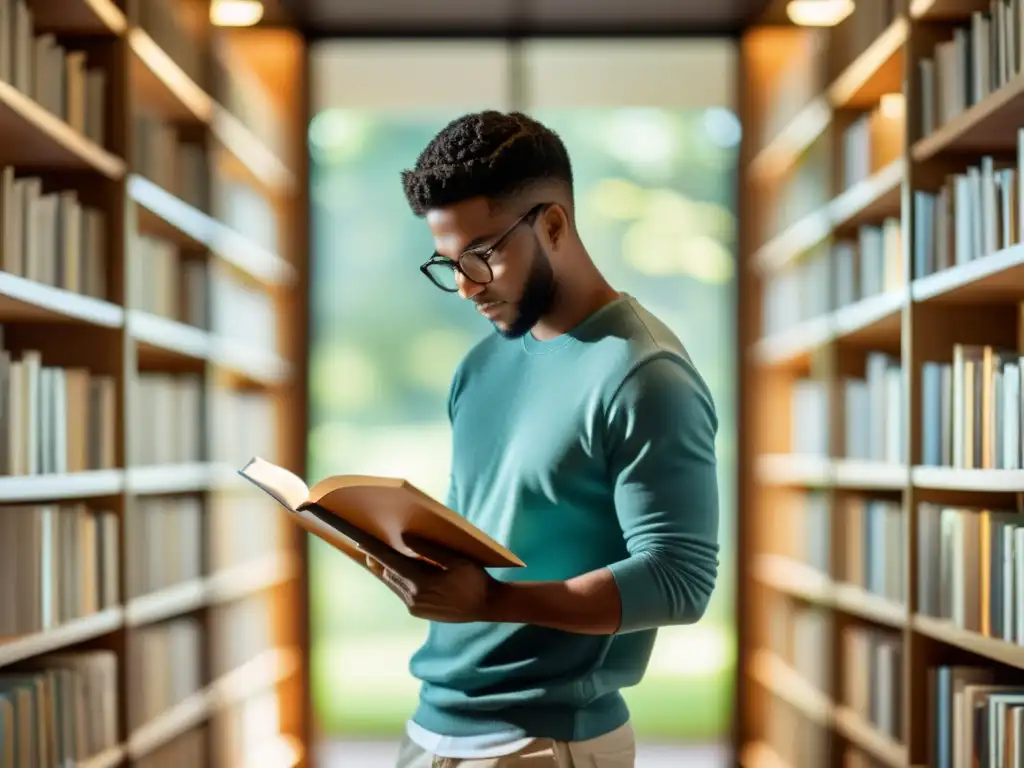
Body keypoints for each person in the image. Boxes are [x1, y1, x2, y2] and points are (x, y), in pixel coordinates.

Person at [358, 110, 721, 768]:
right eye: (449, 264)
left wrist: (492, 601)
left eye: (481, 257)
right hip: (430, 726)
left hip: (546, 742)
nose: (465, 287)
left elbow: (680, 580)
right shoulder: (479, 367)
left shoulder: (646, 374)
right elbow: (487, 536)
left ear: (553, 225)